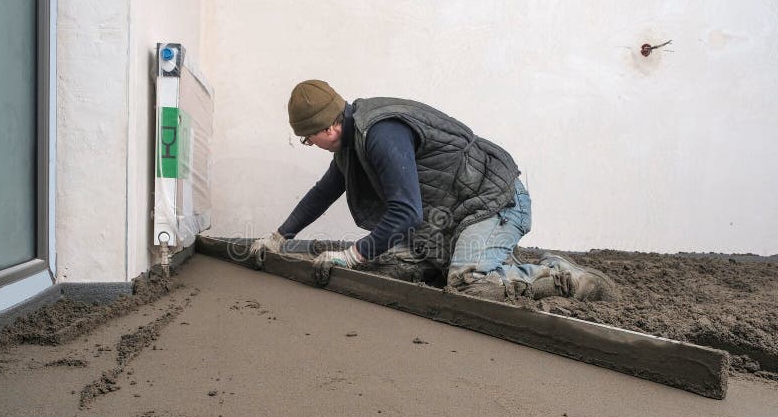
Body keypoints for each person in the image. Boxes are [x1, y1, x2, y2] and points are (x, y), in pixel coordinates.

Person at [249, 79, 616, 302]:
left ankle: (564, 276)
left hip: (495, 204)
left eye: (307, 139)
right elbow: (324, 192)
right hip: (454, 219)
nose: (309, 144)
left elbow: (406, 212)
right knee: (388, 266)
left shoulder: (380, 134)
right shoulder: (351, 144)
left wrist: (352, 255)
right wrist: (280, 237)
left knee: (468, 286)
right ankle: (489, 262)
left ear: (327, 128)